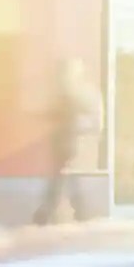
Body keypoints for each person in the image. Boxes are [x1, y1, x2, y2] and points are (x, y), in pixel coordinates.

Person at [34, 58, 104, 225]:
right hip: (64, 145)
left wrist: (81, 127)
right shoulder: (66, 93)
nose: (64, 77)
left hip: (73, 144)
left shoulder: (83, 94)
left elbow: (95, 119)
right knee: (64, 181)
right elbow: (54, 113)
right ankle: (73, 214)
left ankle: (52, 215)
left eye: (68, 72)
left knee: (65, 181)